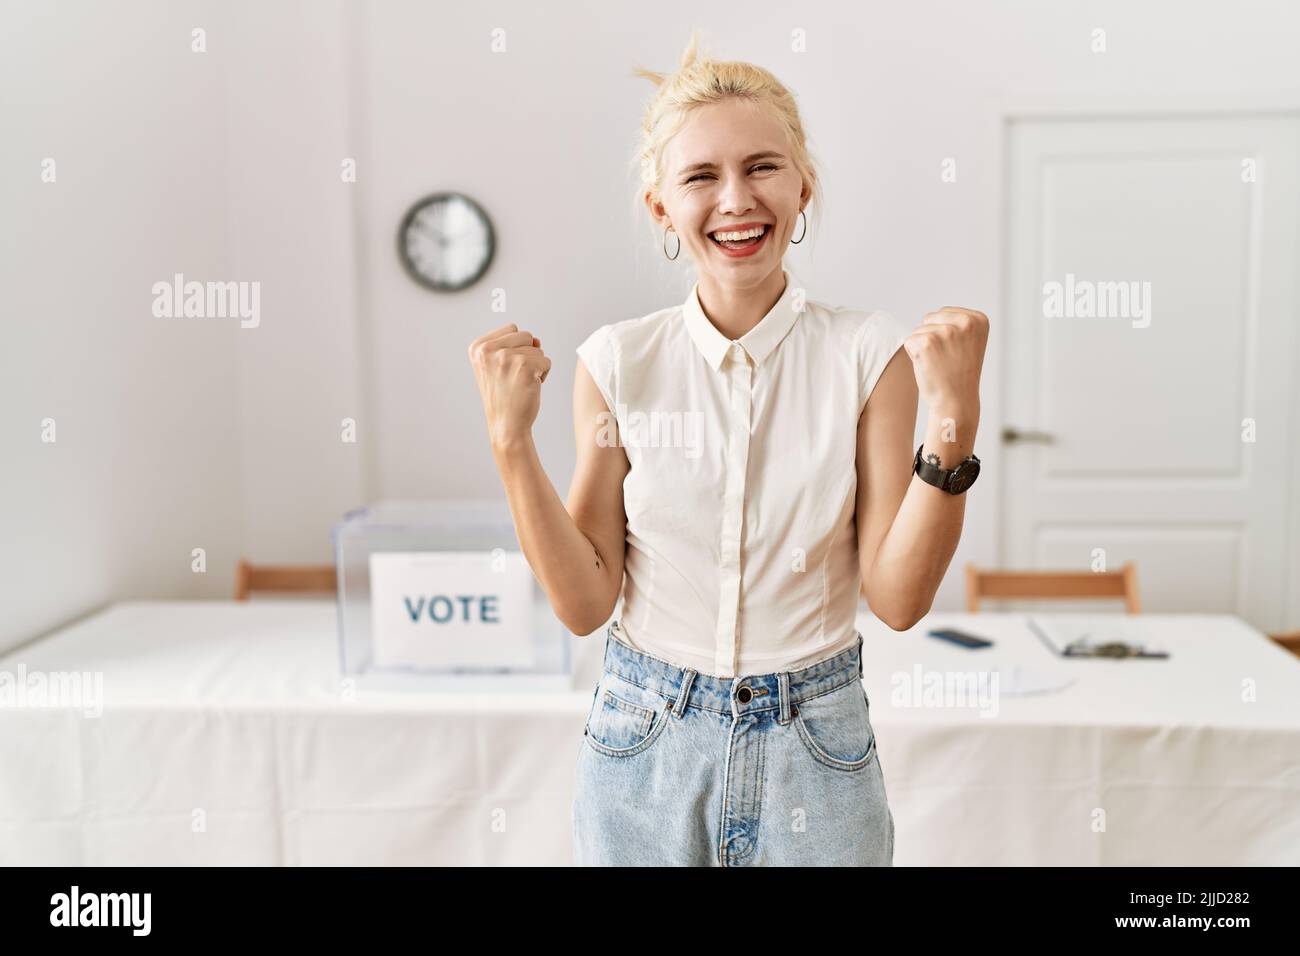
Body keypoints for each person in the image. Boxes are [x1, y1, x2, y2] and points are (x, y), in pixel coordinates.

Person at [468, 32, 988, 866]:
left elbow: (897, 599)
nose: (736, 200)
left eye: (763, 167)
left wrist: (952, 417)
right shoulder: (616, 362)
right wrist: (510, 442)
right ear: (661, 208)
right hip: (645, 741)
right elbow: (583, 604)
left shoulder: (868, 354)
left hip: (816, 742)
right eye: (701, 177)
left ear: (804, 186)